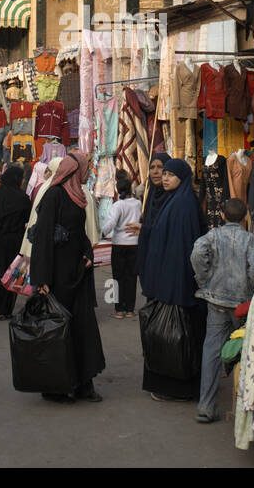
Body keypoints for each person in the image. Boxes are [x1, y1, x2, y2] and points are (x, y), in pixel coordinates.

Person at [29, 153, 106, 403]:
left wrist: (87, 254)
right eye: (85, 168)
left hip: (77, 275)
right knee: (58, 331)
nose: (88, 171)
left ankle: (84, 384)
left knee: (82, 329)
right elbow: (41, 239)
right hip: (56, 277)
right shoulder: (54, 196)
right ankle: (57, 386)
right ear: (75, 171)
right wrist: (41, 278)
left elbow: (79, 233)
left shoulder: (78, 196)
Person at [191, 197, 254, 423]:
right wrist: (252, 292)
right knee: (244, 352)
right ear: (245, 217)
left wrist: (204, 279)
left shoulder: (213, 236)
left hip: (216, 300)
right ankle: (243, 409)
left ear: (223, 215)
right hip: (241, 305)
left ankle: (205, 406)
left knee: (212, 351)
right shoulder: (251, 240)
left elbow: (197, 252)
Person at [139, 157, 207, 402]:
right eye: (162, 173)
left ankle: (178, 389)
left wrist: (172, 287)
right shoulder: (174, 200)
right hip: (168, 281)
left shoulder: (183, 205)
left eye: (169, 174)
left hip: (176, 284)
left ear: (182, 177)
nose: (164, 177)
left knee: (178, 337)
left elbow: (181, 249)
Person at [0, 164, 31, 320]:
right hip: (13, 240)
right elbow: (27, 218)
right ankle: (4, 308)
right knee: (11, 273)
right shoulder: (23, 198)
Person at [102, 172, 141, 319]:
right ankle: (130, 309)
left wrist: (101, 233)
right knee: (131, 277)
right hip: (134, 244)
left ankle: (119, 310)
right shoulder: (137, 203)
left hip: (119, 244)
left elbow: (111, 223)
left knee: (117, 277)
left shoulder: (117, 205)